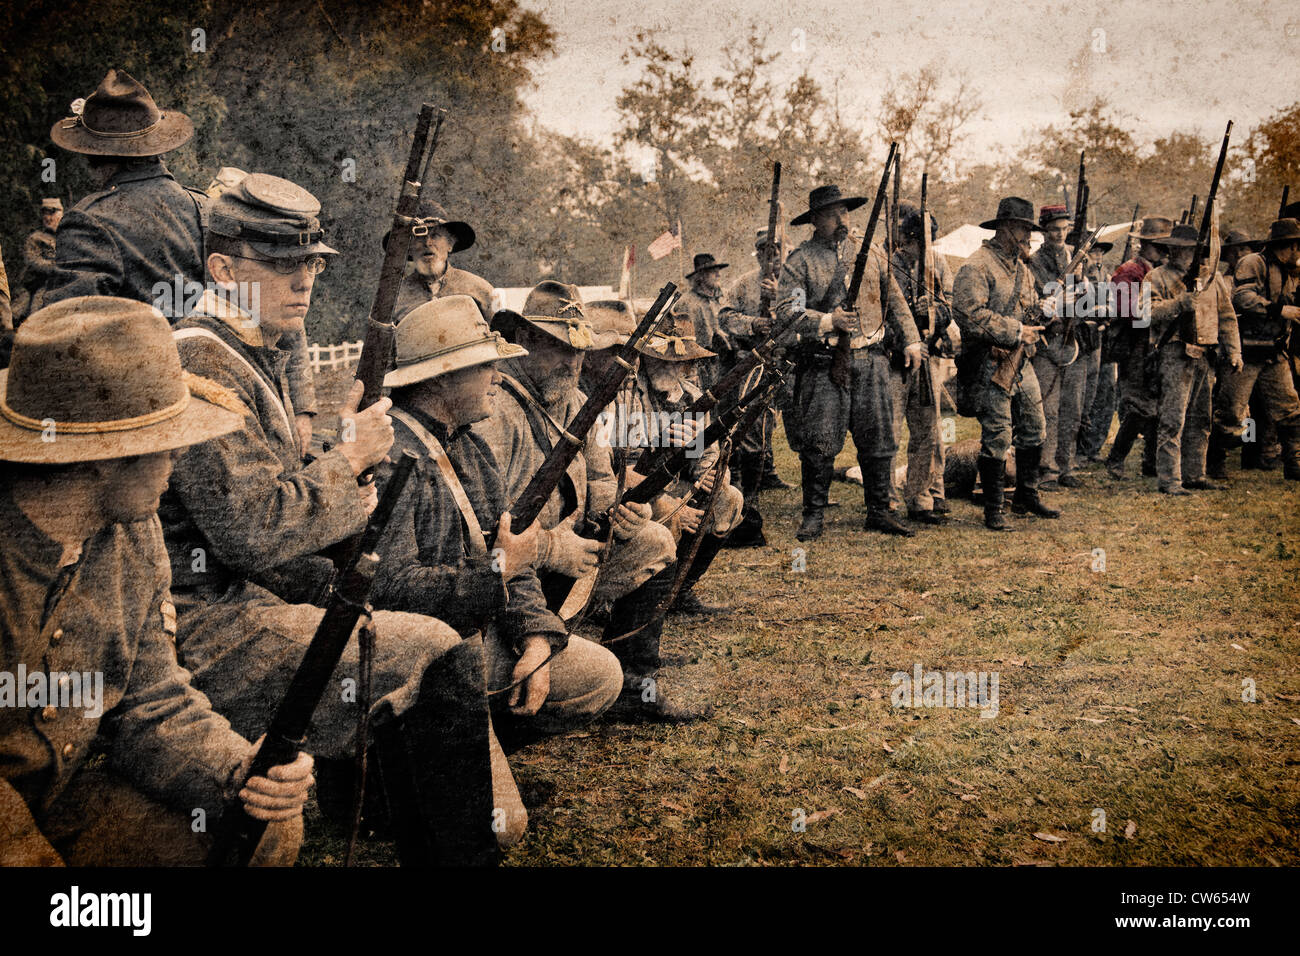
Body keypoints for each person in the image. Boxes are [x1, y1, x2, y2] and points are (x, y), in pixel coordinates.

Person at [157, 174, 517, 851]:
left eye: (312, 264)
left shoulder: (242, 352)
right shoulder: (202, 359)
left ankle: (407, 820)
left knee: (398, 631)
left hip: (244, 599)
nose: (304, 281)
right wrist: (346, 463)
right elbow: (254, 531)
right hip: (197, 625)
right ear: (222, 269)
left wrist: (341, 471)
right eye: (282, 264)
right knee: (433, 655)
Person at [0, 296, 312, 866]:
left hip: (61, 801)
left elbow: (153, 700)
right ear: (105, 455)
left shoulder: (133, 534)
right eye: (166, 440)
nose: (178, 457)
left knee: (261, 828)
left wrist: (236, 770)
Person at [371, 294, 623, 758]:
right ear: (443, 376)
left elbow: (513, 546)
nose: (496, 376)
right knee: (502, 832)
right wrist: (497, 573)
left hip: (473, 625)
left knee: (598, 675)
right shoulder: (389, 458)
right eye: (484, 364)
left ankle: (480, 751)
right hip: (414, 649)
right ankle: (417, 763)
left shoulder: (468, 447)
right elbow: (387, 590)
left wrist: (534, 636)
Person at [43, 71, 320, 450]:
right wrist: (302, 408)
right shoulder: (208, 209)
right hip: (235, 402)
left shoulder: (89, 221)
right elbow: (277, 304)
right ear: (158, 146)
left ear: (92, 156)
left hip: (148, 422)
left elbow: (65, 339)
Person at [482, 281, 701, 722]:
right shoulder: (495, 410)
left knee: (654, 539)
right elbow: (489, 527)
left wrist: (622, 505)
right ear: (524, 341)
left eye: (581, 349)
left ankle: (633, 682)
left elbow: (600, 479)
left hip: (570, 555)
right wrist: (551, 547)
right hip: (510, 575)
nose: (573, 361)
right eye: (560, 346)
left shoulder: (576, 400)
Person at [776, 184, 923, 540]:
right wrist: (828, 321)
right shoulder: (800, 262)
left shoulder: (869, 252)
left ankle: (879, 511)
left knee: (878, 438)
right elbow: (786, 312)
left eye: (845, 212)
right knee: (820, 441)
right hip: (825, 363)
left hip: (871, 361)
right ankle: (813, 515)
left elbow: (895, 298)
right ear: (815, 220)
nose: (841, 219)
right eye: (831, 213)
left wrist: (913, 339)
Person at [626, 310, 746, 615]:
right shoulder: (628, 396)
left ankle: (679, 592)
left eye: (678, 361)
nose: (669, 367)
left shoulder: (694, 397)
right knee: (662, 518)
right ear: (644, 358)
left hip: (681, 488)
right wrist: (670, 505)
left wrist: (714, 475)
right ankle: (629, 601)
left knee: (728, 499)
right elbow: (621, 470)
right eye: (660, 359)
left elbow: (710, 454)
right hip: (636, 494)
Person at [952, 196, 1059, 531]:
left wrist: (1045, 309)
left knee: (1034, 426)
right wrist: (1016, 330)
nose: (1028, 237)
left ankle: (1027, 494)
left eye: (1030, 230)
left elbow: (1028, 308)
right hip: (989, 363)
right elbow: (969, 315)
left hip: (1020, 362)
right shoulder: (977, 266)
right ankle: (993, 508)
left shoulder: (1022, 269)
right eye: (1022, 230)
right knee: (998, 435)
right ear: (1004, 228)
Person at [1143, 223, 1242, 495]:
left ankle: (1195, 474)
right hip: (1174, 353)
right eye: (1180, 250)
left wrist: (1234, 350)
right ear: (1171, 250)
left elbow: (1227, 316)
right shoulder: (1156, 277)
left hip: (1205, 355)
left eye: (1191, 250)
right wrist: (1178, 304)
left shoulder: (1213, 279)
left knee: (1201, 419)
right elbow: (1145, 314)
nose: (1186, 255)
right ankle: (1170, 480)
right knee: (1173, 419)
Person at [1211, 219, 1300, 480]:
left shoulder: (1289, 272)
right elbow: (1242, 298)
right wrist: (1279, 310)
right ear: (1291, 245)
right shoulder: (1254, 263)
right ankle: (1214, 465)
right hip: (1247, 351)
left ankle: (1294, 464)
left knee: (1290, 408)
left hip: (1273, 353)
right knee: (1230, 412)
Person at [889, 201, 955, 523]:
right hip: (893, 362)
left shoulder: (937, 265)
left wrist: (934, 317)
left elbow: (949, 305)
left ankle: (921, 495)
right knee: (890, 433)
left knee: (928, 432)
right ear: (908, 240)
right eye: (920, 243)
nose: (925, 250)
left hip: (928, 360)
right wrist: (907, 337)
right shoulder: (891, 267)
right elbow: (883, 315)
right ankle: (887, 500)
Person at [1105, 216, 1172, 480]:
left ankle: (1151, 462)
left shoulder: (1158, 272)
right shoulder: (1129, 271)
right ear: (1144, 245)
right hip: (1134, 345)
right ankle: (1116, 459)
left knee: (1158, 402)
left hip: (1154, 345)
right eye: (1158, 246)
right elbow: (1128, 311)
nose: (1163, 252)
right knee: (1137, 406)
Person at [1026, 204, 1086, 489]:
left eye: (1063, 229)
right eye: (1053, 229)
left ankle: (1067, 466)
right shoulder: (1034, 262)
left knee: (1072, 408)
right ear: (1044, 231)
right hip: (1047, 341)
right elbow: (1039, 300)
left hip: (1074, 341)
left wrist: (1084, 298)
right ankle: (1046, 469)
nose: (1059, 234)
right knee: (1047, 408)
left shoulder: (1078, 257)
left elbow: (1092, 296)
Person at [389, 199, 494, 322]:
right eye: (419, 237)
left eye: (435, 236)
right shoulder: (395, 298)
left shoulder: (480, 290)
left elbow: (502, 337)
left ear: (450, 244)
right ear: (409, 248)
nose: (427, 243)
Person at [678, 253, 731, 391]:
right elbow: (681, 342)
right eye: (713, 272)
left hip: (729, 362)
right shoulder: (686, 303)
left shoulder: (726, 297)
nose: (718, 275)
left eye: (718, 271)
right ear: (700, 276)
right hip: (701, 367)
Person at [12, 198, 62, 325]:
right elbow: (34, 261)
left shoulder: (68, 237)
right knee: (31, 314)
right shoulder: (36, 238)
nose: (48, 218)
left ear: (61, 213)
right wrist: (56, 266)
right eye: (45, 213)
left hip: (61, 284)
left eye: (52, 213)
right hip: (37, 285)